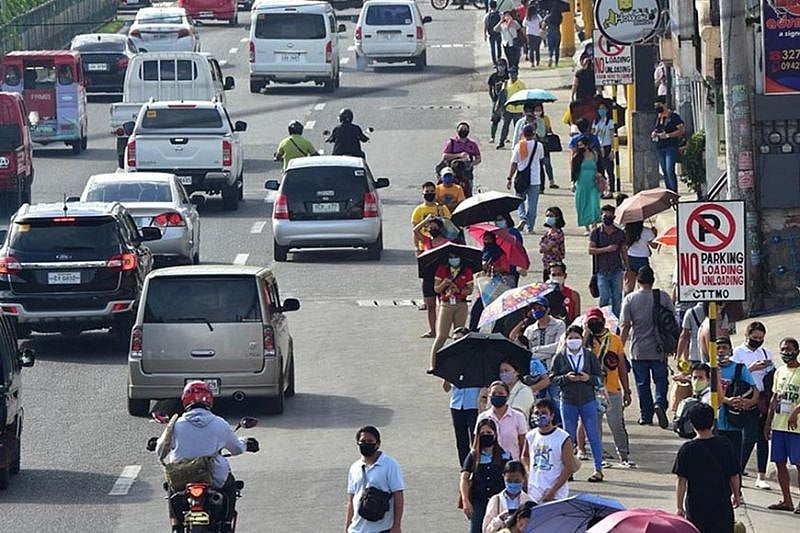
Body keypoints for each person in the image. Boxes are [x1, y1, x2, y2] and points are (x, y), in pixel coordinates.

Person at [156, 381, 258, 533]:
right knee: (231, 486)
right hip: (215, 476)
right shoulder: (219, 423)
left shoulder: (175, 424)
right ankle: (226, 524)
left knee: (171, 487)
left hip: (182, 476)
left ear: (185, 400)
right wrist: (245, 443)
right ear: (209, 400)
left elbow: (160, 450)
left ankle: (176, 525)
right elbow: (236, 448)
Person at [620, 265, 675, 428]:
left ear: (638, 280)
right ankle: (660, 403)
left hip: (639, 349)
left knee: (642, 383)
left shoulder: (630, 299)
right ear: (653, 280)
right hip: (660, 348)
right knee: (661, 380)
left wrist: (619, 347)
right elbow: (672, 320)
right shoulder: (663, 297)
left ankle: (646, 415)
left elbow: (625, 325)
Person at [673, 403, 740, 533]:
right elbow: (734, 474)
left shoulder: (687, 449)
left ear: (692, 424)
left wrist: (679, 507)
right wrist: (736, 495)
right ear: (712, 423)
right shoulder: (725, 445)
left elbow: (681, 480)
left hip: (696, 506)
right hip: (721, 505)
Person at [550, 325, 605, 482]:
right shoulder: (560, 357)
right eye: (570, 338)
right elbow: (553, 378)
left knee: (593, 435)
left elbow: (600, 378)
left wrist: (589, 378)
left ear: (582, 339)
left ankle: (598, 469)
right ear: (566, 340)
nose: (573, 341)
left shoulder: (589, 356)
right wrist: (566, 378)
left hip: (588, 400)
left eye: (577, 338)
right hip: (568, 401)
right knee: (568, 437)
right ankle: (568, 469)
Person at [584, 307, 634, 467]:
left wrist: (627, 390)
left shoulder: (615, 339)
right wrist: (585, 334)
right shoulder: (586, 342)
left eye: (596, 321)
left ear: (603, 321)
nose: (594, 324)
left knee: (616, 424)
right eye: (591, 322)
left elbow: (622, 367)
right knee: (594, 426)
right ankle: (599, 458)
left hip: (612, 389)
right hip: (592, 390)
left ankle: (624, 456)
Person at [733, 321, 774, 489]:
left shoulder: (765, 352)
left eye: (760, 338)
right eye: (754, 337)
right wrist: (751, 368)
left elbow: (772, 374)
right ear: (747, 335)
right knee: (748, 438)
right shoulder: (738, 352)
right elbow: (734, 376)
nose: (757, 341)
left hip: (763, 398)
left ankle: (761, 476)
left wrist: (768, 367)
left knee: (763, 437)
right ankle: (738, 472)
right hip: (747, 397)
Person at [345, 426, 405, 533]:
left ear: (378, 443)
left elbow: (398, 496)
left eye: (370, 441)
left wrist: (397, 526)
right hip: (356, 529)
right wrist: (347, 527)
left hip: (382, 529)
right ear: (358, 443)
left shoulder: (390, 465)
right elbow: (351, 500)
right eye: (363, 441)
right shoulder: (354, 468)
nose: (366, 444)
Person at [764, 337, 800, 513]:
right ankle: (787, 500)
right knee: (779, 462)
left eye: (789, 349)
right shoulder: (779, 372)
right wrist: (768, 422)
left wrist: (795, 412)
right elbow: (775, 398)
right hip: (779, 425)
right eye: (783, 349)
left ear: (797, 351)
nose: (786, 353)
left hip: (796, 427)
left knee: (798, 463)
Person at [715, 336, 758, 478]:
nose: (721, 351)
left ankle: (735, 487)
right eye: (717, 348)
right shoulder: (709, 369)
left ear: (731, 350)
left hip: (734, 424)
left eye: (724, 348)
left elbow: (755, 390)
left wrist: (748, 403)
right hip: (714, 423)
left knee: (733, 462)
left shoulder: (740, 368)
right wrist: (727, 400)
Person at [460, 419, 513, 533]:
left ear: (495, 434)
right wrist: (465, 501)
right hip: (479, 501)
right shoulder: (474, 456)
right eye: (482, 433)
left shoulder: (505, 456)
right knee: (476, 529)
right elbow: (464, 478)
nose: (486, 436)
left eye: (489, 433)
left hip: (499, 501)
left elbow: (512, 477)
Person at [445, 327, 486, 466]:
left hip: (473, 404)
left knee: (476, 438)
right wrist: (447, 374)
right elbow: (446, 388)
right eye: (454, 340)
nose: (456, 342)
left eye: (460, 339)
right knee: (461, 440)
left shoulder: (477, 360)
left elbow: (484, 383)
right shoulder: (452, 361)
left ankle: (478, 466)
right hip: (456, 405)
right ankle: (465, 467)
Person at [520, 398, 574, 502]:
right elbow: (525, 456)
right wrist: (528, 471)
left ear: (552, 416)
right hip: (534, 491)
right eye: (536, 413)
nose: (540, 416)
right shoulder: (530, 436)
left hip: (556, 493)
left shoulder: (563, 437)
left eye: (544, 413)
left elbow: (569, 467)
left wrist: (553, 491)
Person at [428, 253, 474, 372]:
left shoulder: (467, 271)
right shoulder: (442, 270)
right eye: (451, 257)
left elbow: (470, 290)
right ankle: (433, 365)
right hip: (446, 304)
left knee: (459, 336)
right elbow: (436, 289)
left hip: (461, 304)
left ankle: (460, 366)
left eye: (456, 257)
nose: (454, 259)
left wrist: (458, 290)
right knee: (441, 336)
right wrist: (445, 283)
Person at [413, 214, 450, 338]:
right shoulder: (427, 240)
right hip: (428, 276)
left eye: (435, 227)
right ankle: (433, 330)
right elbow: (415, 230)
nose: (432, 229)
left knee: (444, 305)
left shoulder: (447, 242)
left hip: (442, 276)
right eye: (430, 227)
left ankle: (443, 331)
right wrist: (426, 220)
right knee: (430, 305)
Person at [588, 204, 627, 317]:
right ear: (601, 217)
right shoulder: (596, 233)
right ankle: (604, 319)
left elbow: (623, 251)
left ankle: (616, 320)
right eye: (605, 216)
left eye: (609, 216)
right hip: (601, 271)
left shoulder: (620, 233)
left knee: (617, 298)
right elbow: (591, 250)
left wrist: (627, 268)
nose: (607, 219)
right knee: (604, 297)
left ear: (614, 217)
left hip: (616, 270)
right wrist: (607, 249)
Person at [476, 381, 528, 460]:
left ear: (507, 396)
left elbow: (523, 445)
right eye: (494, 394)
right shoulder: (482, 417)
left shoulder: (518, 417)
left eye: (500, 393)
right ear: (489, 395)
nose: (497, 396)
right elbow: (476, 444)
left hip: (512, 463)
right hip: (488, 463)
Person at [506, 124, 543, 234]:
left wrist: (509, 178)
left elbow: (514, 163)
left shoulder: (519, 146)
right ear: (533, 134)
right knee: (532, 205)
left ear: (523, 134)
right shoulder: (539, 146)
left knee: (519, 200)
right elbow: (541, 158)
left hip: (522, 178)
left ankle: (522, 217)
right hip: (535, 179)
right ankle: (530, 227)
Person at [482, 461, 533, 533]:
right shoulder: (496, 501)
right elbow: (485, 530)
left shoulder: (528, 501)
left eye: (517, 481)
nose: (513, 484)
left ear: (524, 478)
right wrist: (500, 518)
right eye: (509, 481)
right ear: (503, 477)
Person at [651, 96, 685, 192]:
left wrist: (668, 135)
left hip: (671, 147)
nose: (658, 108)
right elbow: (657, 129)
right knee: (665, 171)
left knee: (670, 170)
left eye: (659, 105)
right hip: (660, 147)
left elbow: (681, 130)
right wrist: (655, 134)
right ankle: (668, 191)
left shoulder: (673, 116)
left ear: (665, 105)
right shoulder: (659, 117)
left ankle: (674, 192)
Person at [571, 136, 601, 235]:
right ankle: (586, 227)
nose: (580, 147)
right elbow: (573, 171)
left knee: (594, 203)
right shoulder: (577, 157)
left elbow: (598, 167)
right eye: (579, 145)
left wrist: (599, 175)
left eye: (582, 145)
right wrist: (572, 183)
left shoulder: (594, 154)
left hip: (593, 182)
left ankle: (594, 224)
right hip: (581, 183)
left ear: (587, 145)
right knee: (583, 204)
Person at [411, 181, 452, 253]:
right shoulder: (418, 210)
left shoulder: (442, 208)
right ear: (423, 194)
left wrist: (441, 217)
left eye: (432, 191)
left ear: (435, 193)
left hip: (441, 244)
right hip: (424, 245)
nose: (429, 193)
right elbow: (415, 231)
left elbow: (449, 227)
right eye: (427, 191)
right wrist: (417, 248)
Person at [622, 221, 656, 295]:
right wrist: (655, 234)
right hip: (643, 260)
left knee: (628, 287)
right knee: (643, 287)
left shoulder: (625, 231)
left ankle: (627, 301)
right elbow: (655, 246)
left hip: (629, 259)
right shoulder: (647, 231)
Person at [497, 68, 526, 149]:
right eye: (510, 73)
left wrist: (524, 108)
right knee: (505, 126)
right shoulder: (506, 83)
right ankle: (501, 142)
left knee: (518, 127)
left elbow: (524, 97)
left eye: (513, 73)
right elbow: (502, 96)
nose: (512, 75)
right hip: (508, 108)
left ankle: (519, 142)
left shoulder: (521, 84)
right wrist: (500, 107)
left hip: (518, 109)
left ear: (517, 74)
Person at [592, 100, 616, 197]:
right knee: (599, 170)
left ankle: (611, 191)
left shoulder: (610, 122)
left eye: (603, 108)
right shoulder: (596, 122)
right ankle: (601, 190)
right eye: (600, 109)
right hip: (598, 147)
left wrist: (612, 150)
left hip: (607, 146)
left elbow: (612, 136)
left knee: (609, 170)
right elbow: (593, 134)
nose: (601, 110)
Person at [539, 207, 565, 282]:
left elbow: (546, 247)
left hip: (555, 267)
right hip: (546, 265)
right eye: (547, 216)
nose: (548, 218)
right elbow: (541, 249)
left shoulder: (558, 233)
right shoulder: (548, 233)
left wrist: (545, 247)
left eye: (551, 216)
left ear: (557, 217)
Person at [488, 59, 509, 144]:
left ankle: (505, 137)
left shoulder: (508, 76)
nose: (501, 67)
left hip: (506, 100)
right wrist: (493, 98)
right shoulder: (493, 77)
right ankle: (492, 137)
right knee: (495, 120)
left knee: (506, 120)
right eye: (499, 65)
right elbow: (490, 88)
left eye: (503, 65)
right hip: (497, 101)